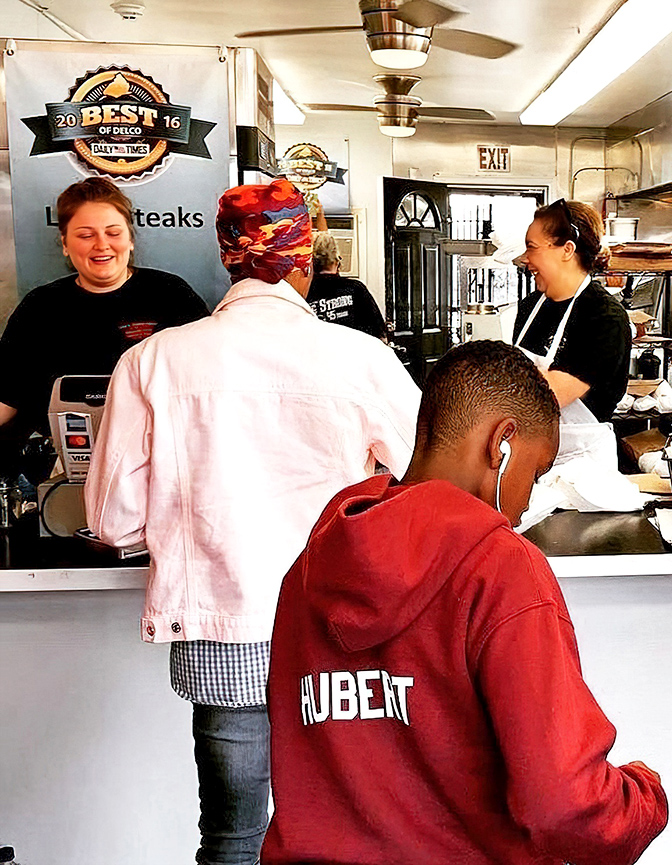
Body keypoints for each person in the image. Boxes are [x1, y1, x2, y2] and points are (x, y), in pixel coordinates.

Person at [84, 177, 421, 865]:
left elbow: (114, 520)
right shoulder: (363, 359)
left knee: (233, 841)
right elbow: (430, 483)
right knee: (351, 835)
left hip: (223, 635)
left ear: (227, 257)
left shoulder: (151, 362)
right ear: (303, 258)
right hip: (341, 639)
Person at [261, 340, 667, 865]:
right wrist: (645, 799)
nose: (522, 506)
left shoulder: (310, 569)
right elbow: (564, 804)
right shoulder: (500, 569)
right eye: (536, 474)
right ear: (501, 445)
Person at [0, 177, 208, 435]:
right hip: (61, 464)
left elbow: (208, 384)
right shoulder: (39, 307)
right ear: (65, 244)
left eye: (113, 233)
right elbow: (6, 399)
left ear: (130, 239)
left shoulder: (171, 294)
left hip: (156, 454)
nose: (101, 245)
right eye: (86, 235)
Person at [513, 198, 631, 467]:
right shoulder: (531, 307)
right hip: (530, 457)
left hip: (582, 467)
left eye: (532, 248)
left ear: (567, 249)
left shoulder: (604, 317)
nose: (525, 259)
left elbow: (548, 395)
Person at [307, 232, 388, 340]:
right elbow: (380, 335)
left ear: (311, 263)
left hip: (316, 355)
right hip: (354, 354)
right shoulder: (356, 289)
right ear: (337, 261)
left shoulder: (304, 293)